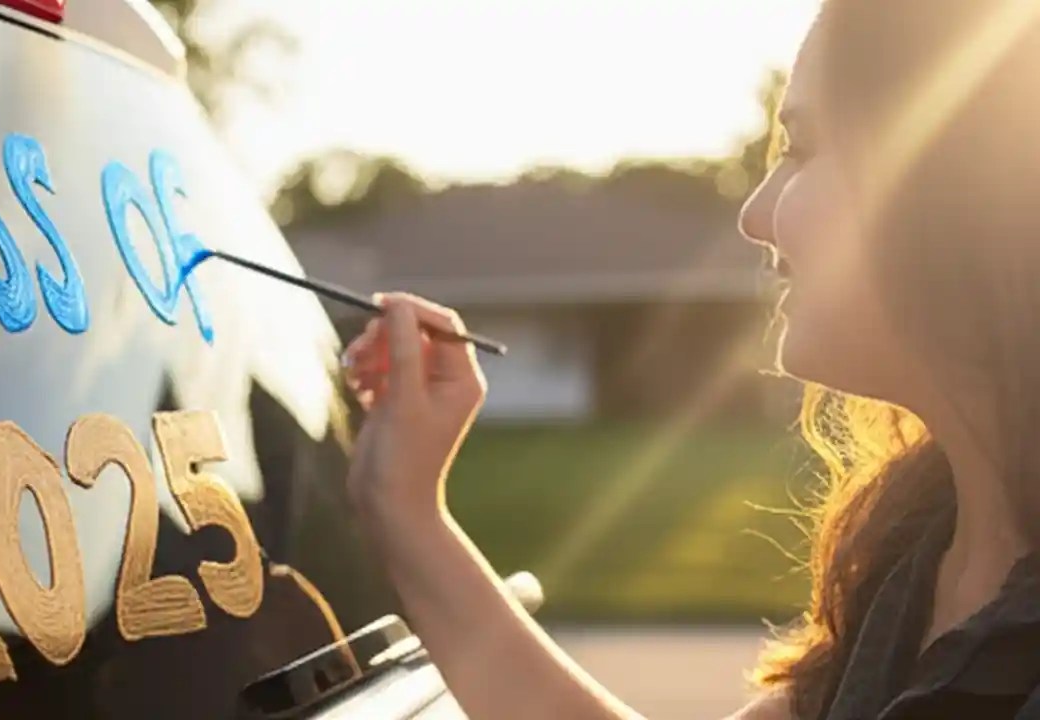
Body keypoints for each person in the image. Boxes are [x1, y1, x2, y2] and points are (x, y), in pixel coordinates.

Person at [338, 0, 1040, 718]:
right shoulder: (911, 553)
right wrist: (406, 509)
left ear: (953, 177)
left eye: (800, 150)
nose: (753, 213)